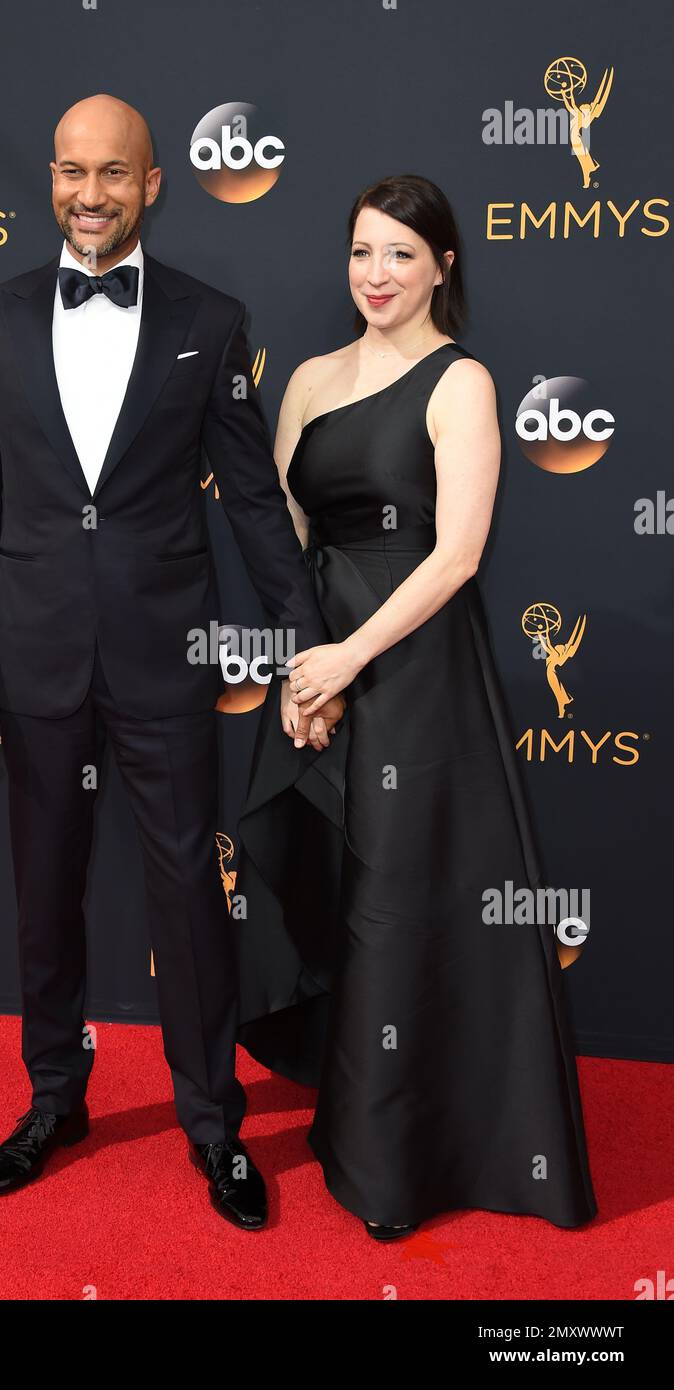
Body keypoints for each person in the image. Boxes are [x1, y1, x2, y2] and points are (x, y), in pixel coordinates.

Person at [0, 93, 343, 1230]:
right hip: (34, 662)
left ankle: (212, 1126)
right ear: (50, 177)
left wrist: (308, 646)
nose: (89, 194)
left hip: (170, 663)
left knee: (187, 902)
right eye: (71, 171)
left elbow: (256, 509)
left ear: (153, 184)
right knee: (42, 896)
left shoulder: (210, 321)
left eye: (113, 173)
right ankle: (52, 1098)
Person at [235, 174, 598, 1239]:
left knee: (400, 900)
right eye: (360, 251)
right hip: (321, 668)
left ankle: (401, 1161)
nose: (376, 274)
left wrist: (348, 657)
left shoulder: (461, 383)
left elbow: (456, 556)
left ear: (443, 264)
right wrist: (302, 672)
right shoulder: (305, 378)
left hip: (413, 674)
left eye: (400, 253)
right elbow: (282, 541)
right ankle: (350, 1122)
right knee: (333, 885)